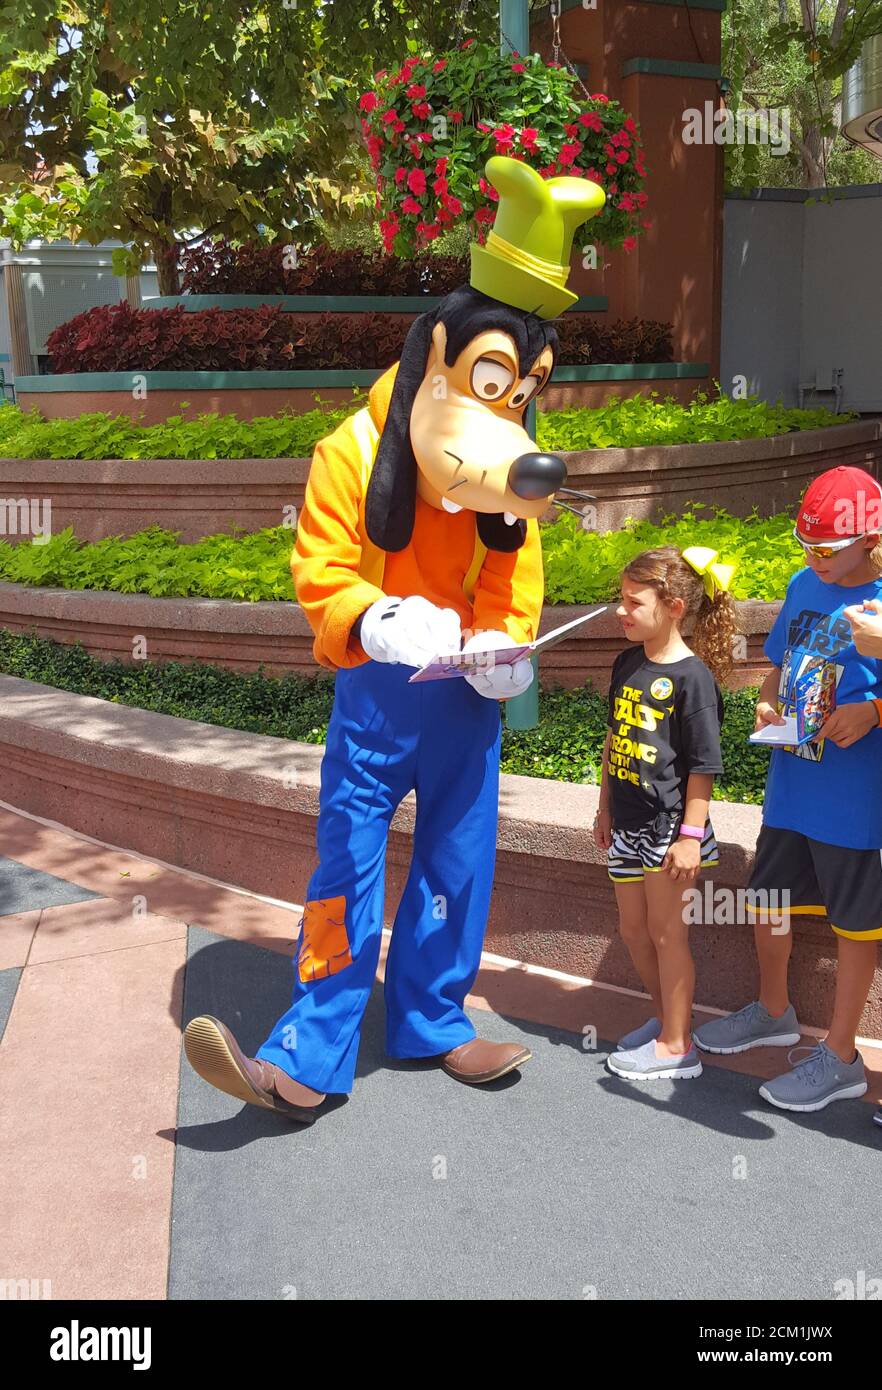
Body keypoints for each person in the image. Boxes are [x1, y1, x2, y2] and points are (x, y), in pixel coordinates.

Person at [695, 466, 882, 1117]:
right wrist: (768, 706)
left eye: (827, 549)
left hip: (858, 809)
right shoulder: (805, 584)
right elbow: (778, 667)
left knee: (858, 927)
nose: (813, 561)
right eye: (807, 546)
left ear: (871, 539)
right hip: (792, 791)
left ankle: (842, 1056)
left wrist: (874, 712)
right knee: (768, 901)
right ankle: (774, 1011)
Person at [594, 543, 736, 1080]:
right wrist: (604, 805)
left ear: (674, 606)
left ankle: (679, 1046)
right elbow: (614, 738)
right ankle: (665, 1020)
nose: (621, 611)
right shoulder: (627, 660)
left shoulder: (692, 678)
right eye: (621, 600)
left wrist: (690, 836)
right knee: (633, 931)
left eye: (633, 602)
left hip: (670, 830)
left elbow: (703, 766)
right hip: (626, 823)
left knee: (666, 934)